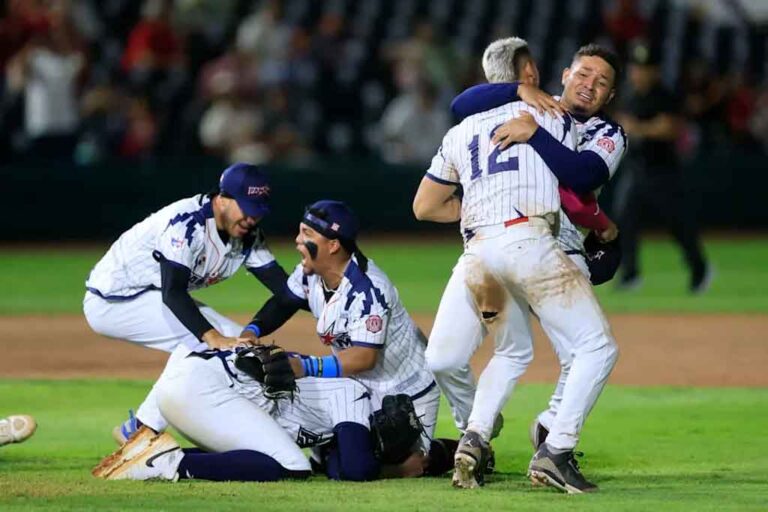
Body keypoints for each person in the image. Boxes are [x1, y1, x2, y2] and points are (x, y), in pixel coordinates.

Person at [413, 41, 622, 494]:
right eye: (583, 74)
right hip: (536, 243)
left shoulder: (467, 127)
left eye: (601, 81)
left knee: (498, 353)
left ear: (610, 95)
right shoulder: (555, 116)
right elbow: (577, 190)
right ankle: (556, 448)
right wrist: (606, 230)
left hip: (482, 248)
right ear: (554, 76)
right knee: (594, 349)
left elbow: (425, 202)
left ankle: (476, 435)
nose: (589, 85)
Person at [83, 163, 288, 442]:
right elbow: (173, 293)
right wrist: (212, 337)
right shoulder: (186, 223)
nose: (252, 219)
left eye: (257, 211)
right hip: (115, 300)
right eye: (247, 209)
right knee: (213, 341)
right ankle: (140, 431)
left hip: (149, 293)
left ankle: (141, 429)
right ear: (223, 199)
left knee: (234, 341)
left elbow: (284, 289)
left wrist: (327, 299)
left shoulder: (247, 236)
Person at [243, 200, 443, 458]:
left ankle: (448, 452)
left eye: (307, 233)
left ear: (333, 244)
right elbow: (284, 301)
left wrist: (305, 366)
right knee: (329, 459)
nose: (297, 240)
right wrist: (251, 331)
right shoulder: (309, 273)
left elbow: (363, 358)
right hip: (353, 384)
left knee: (404, 465)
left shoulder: (368, 290)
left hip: (405, 388)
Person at [91, 344, 424, 482]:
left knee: (263, 454)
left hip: (185, 379)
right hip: (203, 391)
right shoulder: (353, 392)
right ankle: (165, 463)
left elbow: (336, 466)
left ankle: (145, 445)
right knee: (290, 466)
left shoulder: (332, 419)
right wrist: (392, 467)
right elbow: (356, 468)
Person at [614, 42, 711, 293]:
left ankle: (699, 268)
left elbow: (669, 128)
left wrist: (638, 128)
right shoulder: (630, 96)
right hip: (636, 168)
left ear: (655, 71)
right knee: (625, 218)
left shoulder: (665, 96)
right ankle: (630, 273)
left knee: (677, 223)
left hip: (662, 170)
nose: (639, 72)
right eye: (636, 67)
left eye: (645, 68)